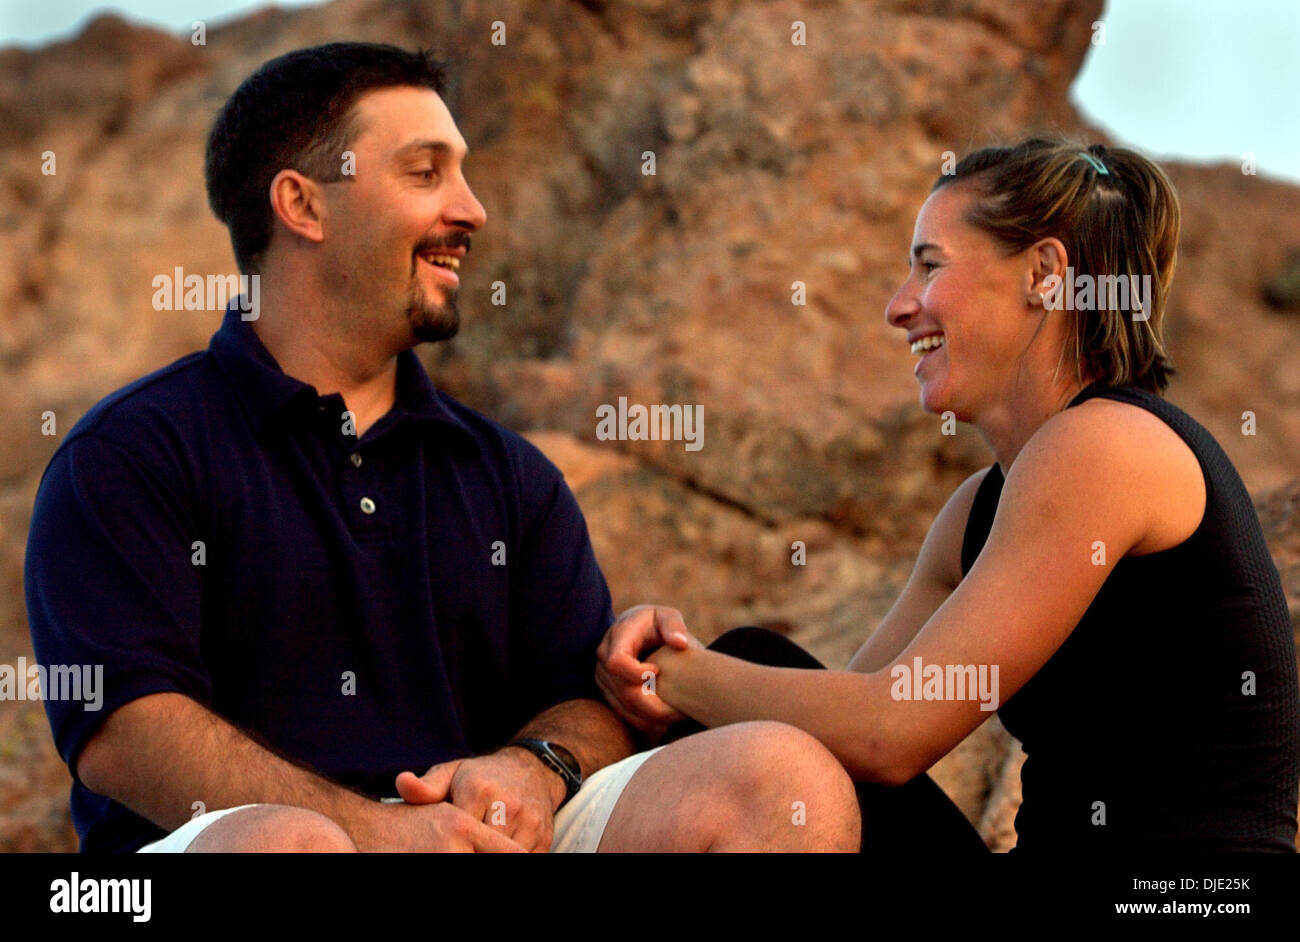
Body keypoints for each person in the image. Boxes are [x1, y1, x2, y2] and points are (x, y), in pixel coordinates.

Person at [24, 42, 861, 853]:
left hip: (469, 839)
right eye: (426, 173)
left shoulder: (507, 475)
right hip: (233, 844)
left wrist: (535, 768)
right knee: (289, 845)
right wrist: (373, 833)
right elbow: (123, 731)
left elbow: (581, 698)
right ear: (302, 204)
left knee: (780, 777)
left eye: (462, 172)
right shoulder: (130, 453)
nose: (471, 210)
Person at [598, 139, 1300, 852]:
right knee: (758, 679)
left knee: (738, 683)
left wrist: (673, 673)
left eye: (930, 265)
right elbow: (835, 728)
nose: (898, 307)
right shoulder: (977, 509)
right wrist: (675, 672)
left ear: (1044, 274)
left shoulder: (1108, 446)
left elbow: (889, 734)